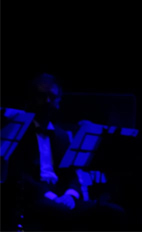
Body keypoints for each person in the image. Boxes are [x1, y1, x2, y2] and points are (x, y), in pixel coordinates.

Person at [1, 74, 126, 231]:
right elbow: (19, 173)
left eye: (51, 97)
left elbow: (72, 174)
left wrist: (70, 195)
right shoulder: (18, 131)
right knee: (62, 214)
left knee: (113, 212)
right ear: (31, 98)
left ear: (59, 101)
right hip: (35, 194)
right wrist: (52, 197)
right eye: (41, 96)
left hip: (61, 194)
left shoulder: (63, 136)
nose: (47, 101)